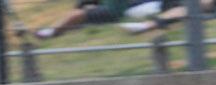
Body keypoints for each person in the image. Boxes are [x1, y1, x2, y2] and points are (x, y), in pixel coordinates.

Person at [32, 0, 179, 38]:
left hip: (121, 10)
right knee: (78, 14)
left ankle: (51, 32)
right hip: (121, 8)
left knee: (76, 16)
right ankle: (58, 29)